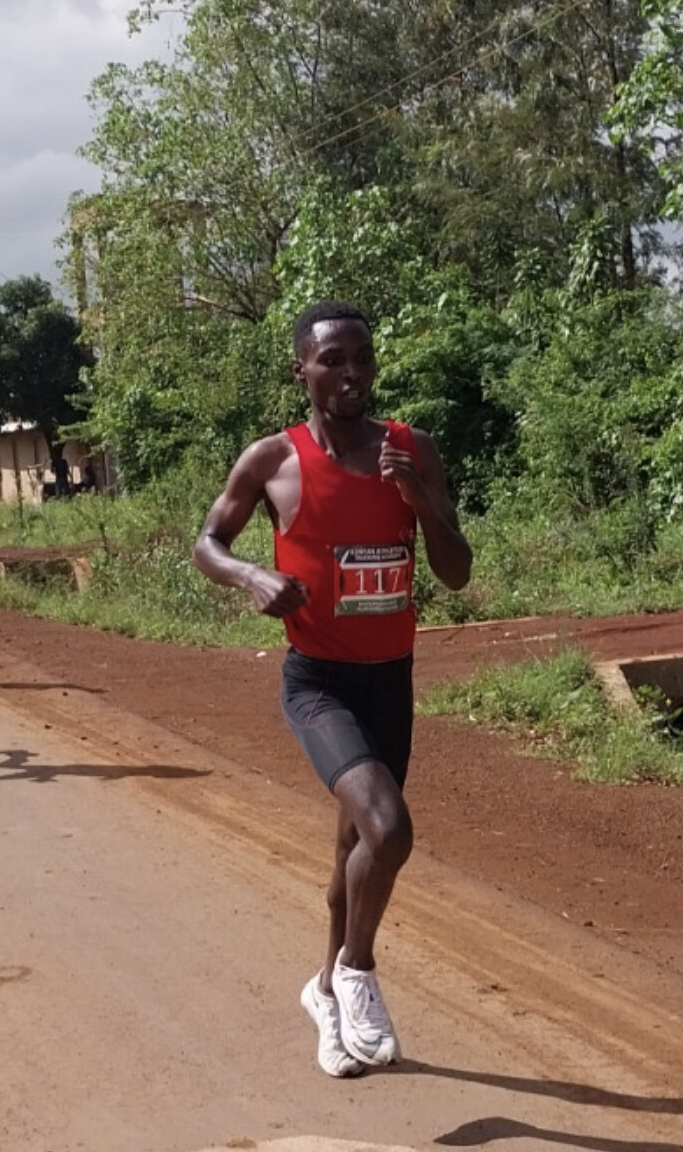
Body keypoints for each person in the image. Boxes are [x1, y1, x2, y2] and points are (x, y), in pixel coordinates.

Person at [193, 300, 471, 1078]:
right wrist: (251, 573)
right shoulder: (273, 460)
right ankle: (356, 969)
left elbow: (457, 568)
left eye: (362, 358)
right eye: (333, 360)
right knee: (389, 829)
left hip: (391, 678)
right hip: (318, 682)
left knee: (356, 846)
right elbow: (207, 540)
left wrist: (420, 499)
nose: (352, 374)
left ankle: (323, 993)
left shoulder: (411, 449)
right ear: (302, 370)